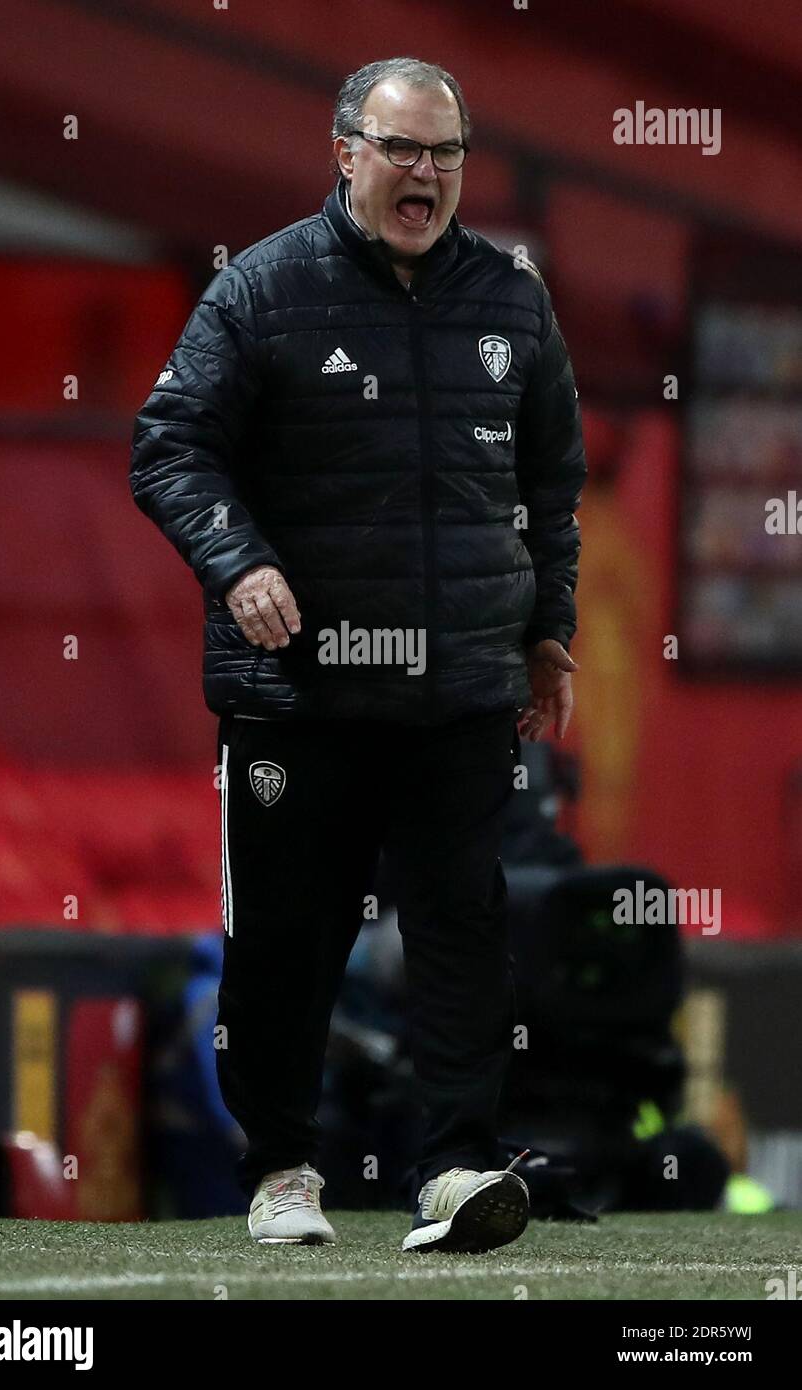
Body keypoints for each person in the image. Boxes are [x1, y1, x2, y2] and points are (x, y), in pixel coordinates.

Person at [130, 56, 586, 1254]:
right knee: (287, 938)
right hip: (299, 692)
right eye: (400, 149)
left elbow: (549, 484)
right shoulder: (262, 290)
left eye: (444, 154)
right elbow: (169, 446)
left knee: (459, 932)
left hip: (460, 691)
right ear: (344, 152)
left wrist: (548, 633)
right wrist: (239, 561)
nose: (423, 174)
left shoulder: (511, 298)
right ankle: (283, 1170)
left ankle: (453, 1171)